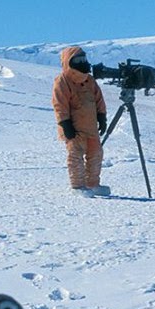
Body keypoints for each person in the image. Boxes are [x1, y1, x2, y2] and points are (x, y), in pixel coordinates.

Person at [51, 46, 109, 197]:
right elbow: (59, 104)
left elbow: (99, 99)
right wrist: (65, 123)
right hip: (74, 128)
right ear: (68, 62)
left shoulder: (90, 80)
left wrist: (102, 117)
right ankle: (77, 186)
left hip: (91, 126)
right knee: (76, 156)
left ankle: (93, 184)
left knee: (96, 154)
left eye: (83, 59)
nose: (81, 63)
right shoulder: (62, 81)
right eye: (77, 60)